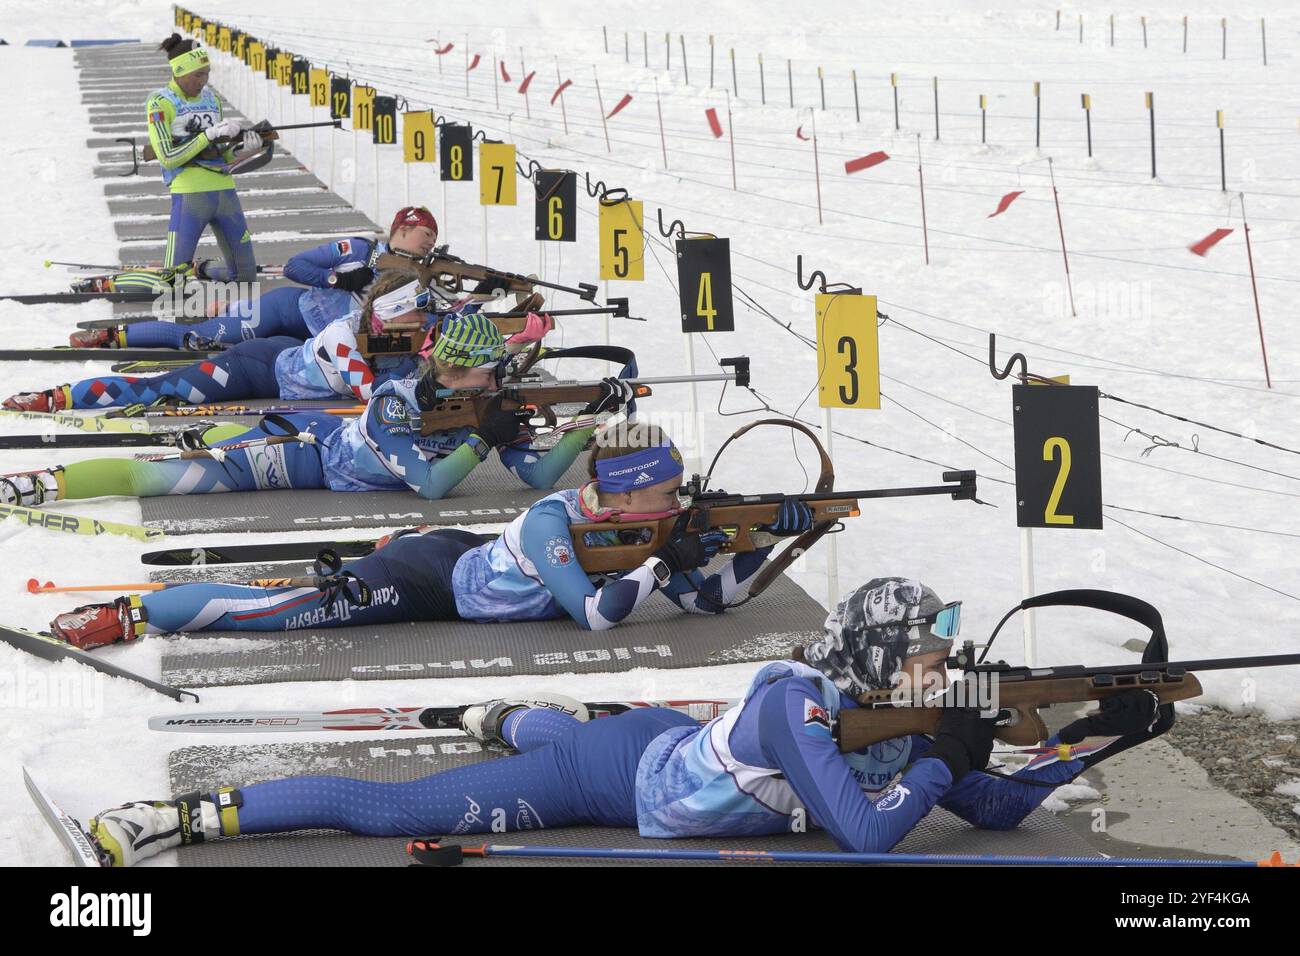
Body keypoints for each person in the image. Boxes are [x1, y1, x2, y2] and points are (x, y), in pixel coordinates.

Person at [74, 576, 1164, 866]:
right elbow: (871, 835)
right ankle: (186, 813)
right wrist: (938, 754)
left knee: (545, 732)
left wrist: (1110, 731)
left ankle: (506, 713)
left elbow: (1000, 808)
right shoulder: (798, 704)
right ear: (879, 657)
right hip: (618, 777)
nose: (942, 670)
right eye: (928, 655)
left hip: (650, 738)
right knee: (399, 803)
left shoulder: (883, 719)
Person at [44, 424, 806, 648]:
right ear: (629, 490)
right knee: (298, 609)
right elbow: (597, 616)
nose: (678, 503)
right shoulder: (555, 523)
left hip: (468, 546)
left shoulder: (637, 527)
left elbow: (712, 602)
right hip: (431, 577)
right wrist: (666, 560)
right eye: (669, 492)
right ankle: (142, 610)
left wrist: (765, 542)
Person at [1, 308, 614, 522]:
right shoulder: (395, 402)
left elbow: (536, 477)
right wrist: (482, 439)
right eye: (491, 370)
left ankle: (215, 429)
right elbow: (431, 487)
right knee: (168, 474)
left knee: (215, 440)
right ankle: (39, 483)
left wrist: (588, 422)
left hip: (327, 439)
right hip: (310, 454)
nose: (500, 381)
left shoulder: (475, 404)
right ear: (457, 370)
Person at [5, 269, 553, 412]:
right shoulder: (345, 334)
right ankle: (60, 396)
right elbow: (371, 395)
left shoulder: (406, 337)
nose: (426, 317)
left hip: (283, 371)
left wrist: (512, 337)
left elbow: (458, 346)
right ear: (388, 315)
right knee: (163, 389)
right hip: (257, 368)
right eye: (417, 309)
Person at [69, 207, 445, 350]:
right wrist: (339, 281)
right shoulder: (362, 249)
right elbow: (296, 266)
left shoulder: (425, 275)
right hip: (289, 312)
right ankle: (113, 336)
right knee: (205, 337)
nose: (430, 238)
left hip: (321, 342)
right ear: (402, 228)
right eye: (424, 231)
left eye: (434, 235)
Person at [147, 34, 261, 285]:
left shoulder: (212, 99)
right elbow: (167, 157)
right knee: (171, 280)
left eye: (206, 73)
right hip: (190, 196)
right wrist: (209, 135)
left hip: (225, 193)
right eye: (197, 75)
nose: (203, 81)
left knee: (246, 277)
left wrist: (246, 149)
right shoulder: (160, 102)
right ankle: (121, 282)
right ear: (178, 71)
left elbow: (223, 155)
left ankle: (203, 268)